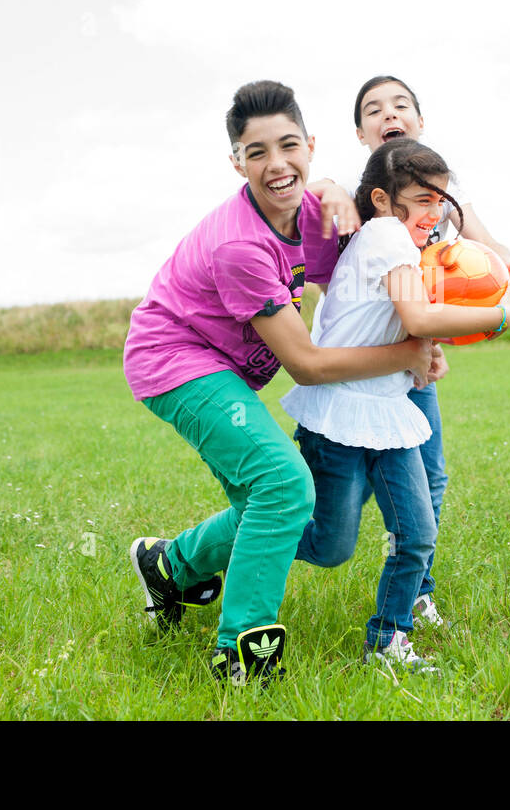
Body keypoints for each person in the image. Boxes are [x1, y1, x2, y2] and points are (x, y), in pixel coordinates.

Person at [123, 80, 433, 685]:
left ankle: (169, 565)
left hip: (226, 369)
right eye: (256, 152)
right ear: (236, 162)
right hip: (175, 361)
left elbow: (356, 282)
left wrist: (336, 193)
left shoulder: (314, 216)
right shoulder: (240, 245)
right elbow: (309, 365)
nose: (276, 164)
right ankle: (240, 654)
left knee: (274, 507)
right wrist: (408, 352)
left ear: (311, 146)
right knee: (283, 486)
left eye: (288, 145)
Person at [282, 138, 510, 670]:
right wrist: (498, 315)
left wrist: (426, 356)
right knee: (328, 545)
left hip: (386, 417)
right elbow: (418, 320)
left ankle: (387, 640)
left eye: (440, 201)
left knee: (416, 535)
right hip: (339, 417)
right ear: (384, 201)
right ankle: (236, 539)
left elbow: (406, 329)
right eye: (422, 199)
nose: (433, 212)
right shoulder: (385, 235)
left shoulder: (407, 249)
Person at [350, 75, 510, 629]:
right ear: (361, 133)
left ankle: (414, 592)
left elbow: (480, 242)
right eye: (374, 109)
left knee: (431, 480)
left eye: (402, 104)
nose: (390, 113)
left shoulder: (440, 189)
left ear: (420, 120)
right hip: (364, 366)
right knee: (340, 502)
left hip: (414, 361)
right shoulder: (362, 198)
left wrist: (509, 266)